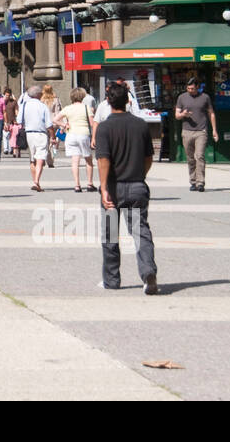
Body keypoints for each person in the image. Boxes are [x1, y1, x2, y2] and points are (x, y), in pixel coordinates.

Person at [94, 84, 158, 294]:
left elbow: (104, 160)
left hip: (113, 188)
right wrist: (141, 176)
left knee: (111, 235)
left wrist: (103, 188)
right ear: (128, 101)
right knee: (141, 232)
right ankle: (148, 272)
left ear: (108, 102)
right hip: (137, 185)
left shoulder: (104, 127)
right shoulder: (141, 125)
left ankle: (112, 280)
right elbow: (149, 158)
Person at [174, 77, 218, 192]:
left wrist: (214, 130)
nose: (190, 90)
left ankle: (200, 183)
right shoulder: (181, 98)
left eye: (192, 88)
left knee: (199, 156)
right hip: (187, 131)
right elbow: (177, 116)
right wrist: (183, 114)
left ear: (197, 87)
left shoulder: (205, 97)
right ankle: (193, 181)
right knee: (190, 158)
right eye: (188, 88)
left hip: (201, 131)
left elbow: (211, 114)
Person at [57, 88, 97, 193]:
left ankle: (77, 185)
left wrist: (64, 124)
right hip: (83, 134)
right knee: (88, 160)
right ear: (82, 97)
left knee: (75, 161)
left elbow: (55, 119)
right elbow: (92, 124)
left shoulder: (67, 108)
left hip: (71, 135)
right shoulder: (86, 107)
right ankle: (89, 184)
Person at [20, 85, 53, 192]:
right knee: (40, 158)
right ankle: (36, 182)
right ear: (39, 94)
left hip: (28, 134)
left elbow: (19, 120)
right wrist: (52, 136)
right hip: (41, 134)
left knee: (32, 159)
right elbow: (49, 124)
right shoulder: (42, 106)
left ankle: (35, 181)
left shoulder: (24, 105)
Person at [3, 88, 21, 159]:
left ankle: (10, 149)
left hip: (12, 120)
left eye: (8, 95)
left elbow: (16, 110)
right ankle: (6, 149)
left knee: (11, 136)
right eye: (6, 95)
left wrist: (17, 119)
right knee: (5, 135)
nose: (7, 96)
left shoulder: (13, 102)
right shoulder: (2, 102)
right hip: (4, 120)